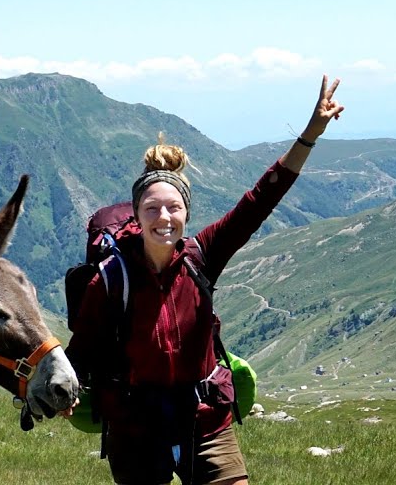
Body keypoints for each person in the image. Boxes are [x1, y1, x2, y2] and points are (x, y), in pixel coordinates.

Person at [64, 74, 344, 485]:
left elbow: (259, 201)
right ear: (136, 215)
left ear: (186, 213)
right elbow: (84, 348)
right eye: (152, 208)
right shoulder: (111, 279)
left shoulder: (201, 256)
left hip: (205, 421)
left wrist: (310, 135)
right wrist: (60, 387)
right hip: (134, 429)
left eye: (173, 208)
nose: (164, 218)